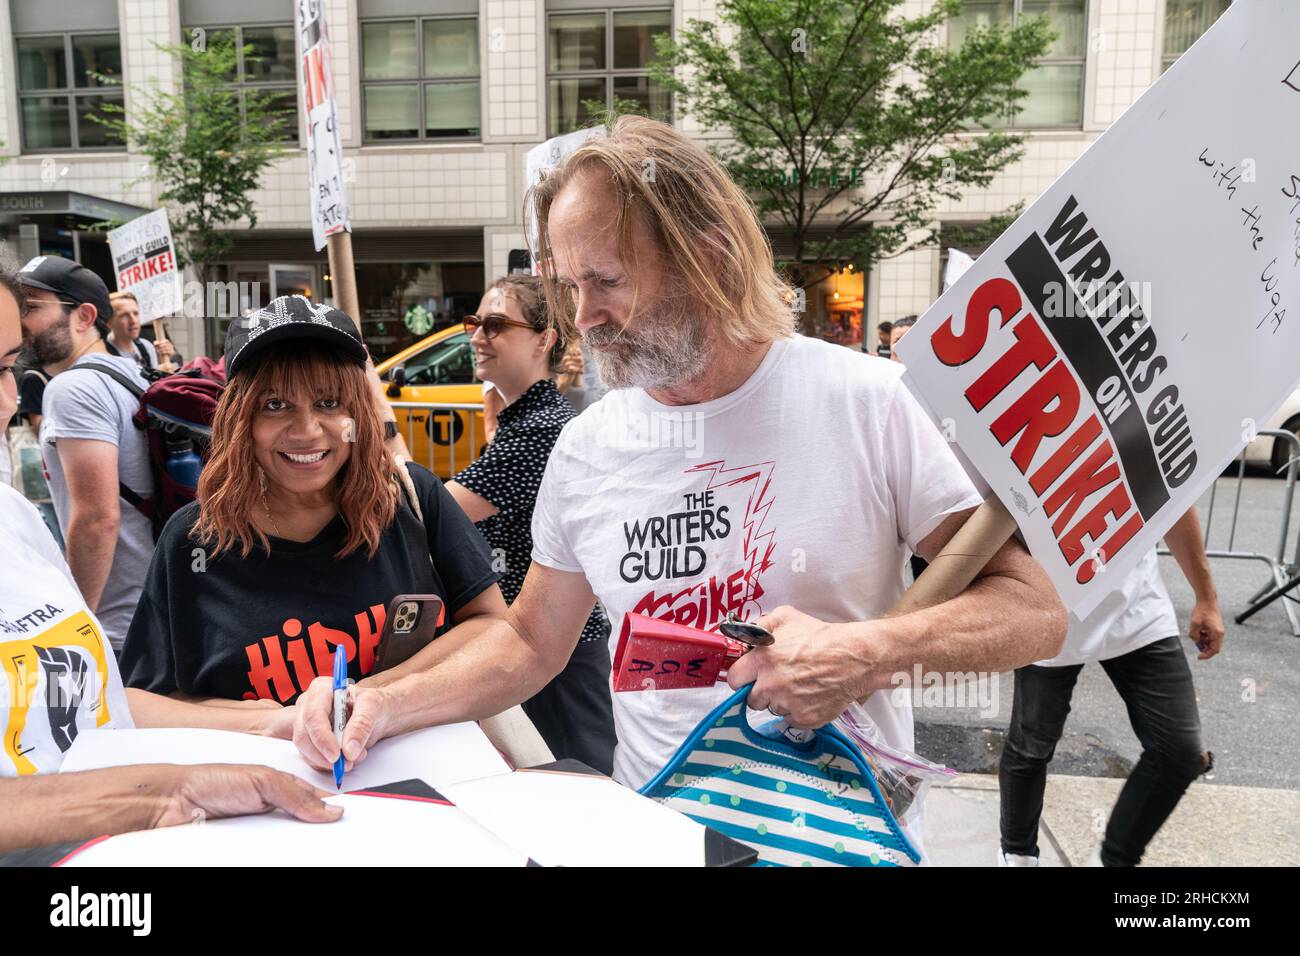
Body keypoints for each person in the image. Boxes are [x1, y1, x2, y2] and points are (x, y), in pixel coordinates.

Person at [288, 117, 1068, 858]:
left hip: (837, 840)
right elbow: (529, 643)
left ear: (712, 255)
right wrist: (385, 701)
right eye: (568, 285)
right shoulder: (586, 447)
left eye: (608, 281)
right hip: (655, 838)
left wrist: (866, 652)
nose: (584, 318)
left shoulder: (871, 401)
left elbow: (1034, 612)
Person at [0, 262, 340, 852]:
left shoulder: (14, 516)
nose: (11, 398)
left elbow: (105, 706)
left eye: (9, 365)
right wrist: (167, 793)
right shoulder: (191, 537)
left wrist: (274, 723)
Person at [120, 296, 516, 753]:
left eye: (329, 402)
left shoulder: (410, 498)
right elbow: (138, 703)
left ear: (357, 416)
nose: (307, 430)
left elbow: (493, 627)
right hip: (267, 808)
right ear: (239, 419)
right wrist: (275, 724)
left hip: (432, 783)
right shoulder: (194, 540)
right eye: (275, 405)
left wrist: (373, 697)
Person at [448, 275, 616, 773]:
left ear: (544, 339)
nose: (478, 335)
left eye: (496, 324)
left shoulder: (542, 430)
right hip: (538, 646)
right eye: (475, 322)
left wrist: (379, 414)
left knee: (587, 798)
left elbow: (431, 513)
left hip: (557, 652)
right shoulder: (525, 420)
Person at [998, 507, 1222, 867]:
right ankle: (1017, 855)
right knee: (1031, 747)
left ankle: (1111, 861)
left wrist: (1206, 596)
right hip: (1046, 605)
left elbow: (1175, 502)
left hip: (1137, 604)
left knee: (1179, 753)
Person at [18, 256, 156, 652]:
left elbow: (97, 518)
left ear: (84, 316)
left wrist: (76, 623)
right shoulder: (131, 372)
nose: (21, 319)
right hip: (154, 606)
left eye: (32, 306)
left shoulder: (72, 388)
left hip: (114, 625)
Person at [105, 290, 176, 375]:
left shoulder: (146, 347)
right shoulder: (104, 354)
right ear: (109, 321)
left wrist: (167, 360)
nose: (133, 320)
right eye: (124, 315)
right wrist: (155, 375)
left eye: (136, 313)